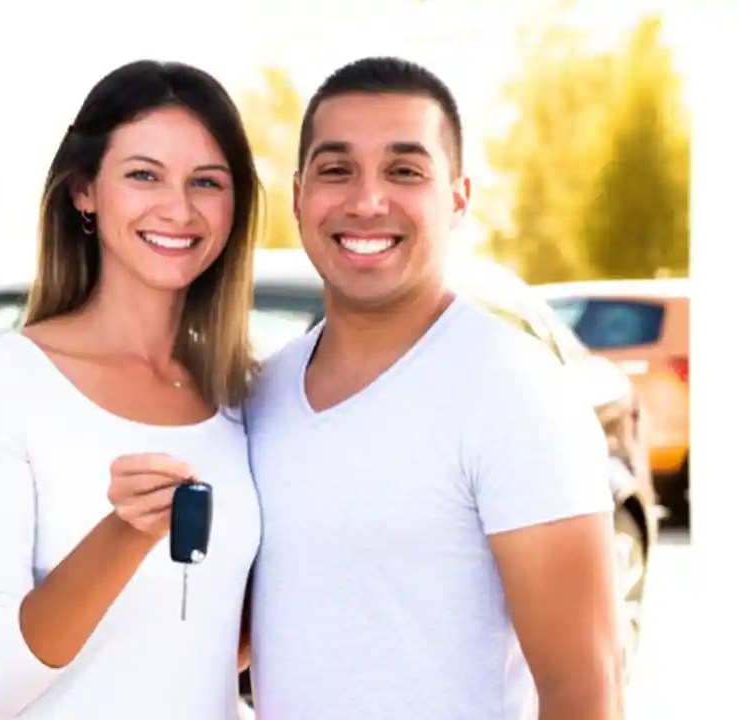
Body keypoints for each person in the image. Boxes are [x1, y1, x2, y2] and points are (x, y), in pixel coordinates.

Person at [242, 56, 622, 719]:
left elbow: (585, 686)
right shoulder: (264, 392)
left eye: (404, 170)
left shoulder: (513, 392)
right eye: (337, 170)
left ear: (457, 199)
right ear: (300, 194)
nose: (366, 201)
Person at [0, 58, 263, 719]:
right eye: (144, 175)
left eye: (207, 181)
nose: (179, 208)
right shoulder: (0, 383)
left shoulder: (243, 395)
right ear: (84, 190)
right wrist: (124, 532)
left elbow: (209, 636)